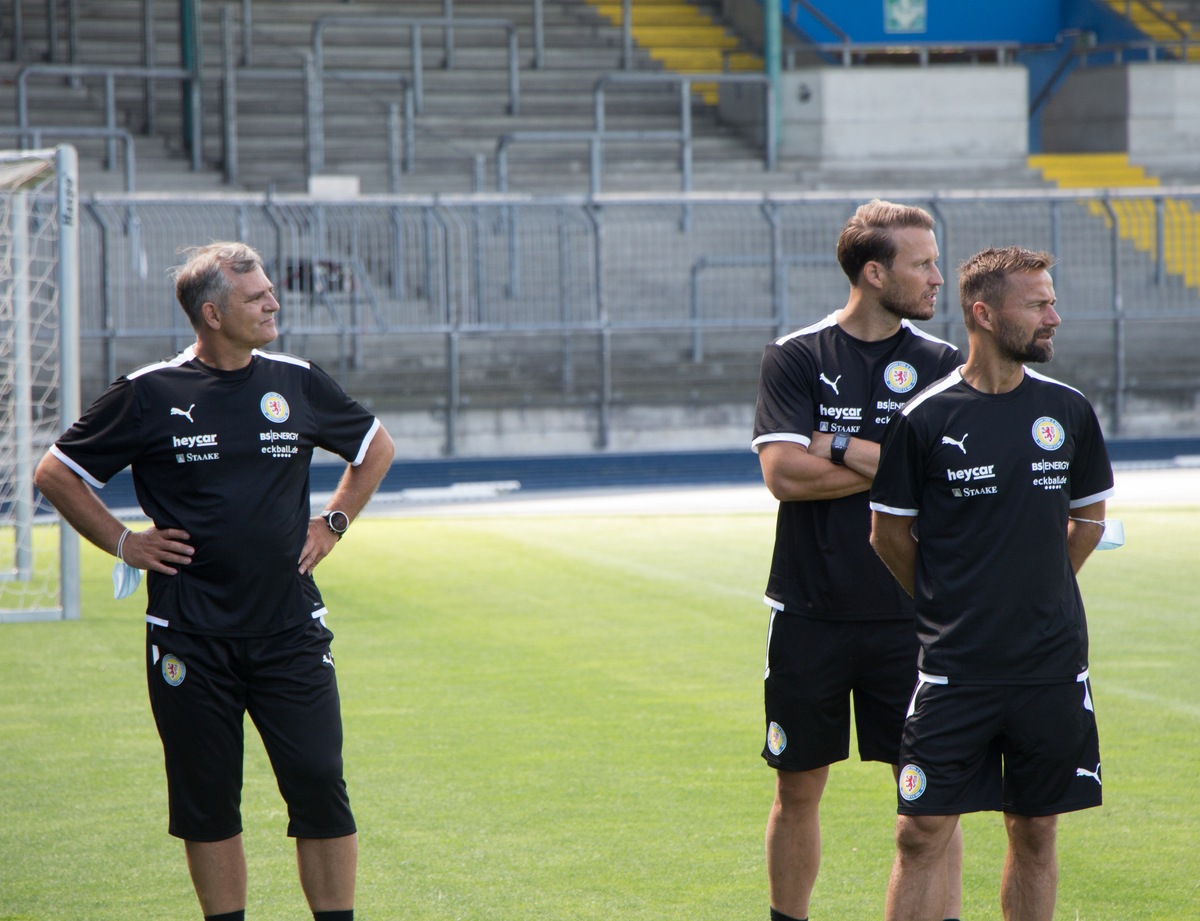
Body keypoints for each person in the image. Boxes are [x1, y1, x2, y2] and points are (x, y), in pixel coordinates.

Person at [34, 242, 395, 921]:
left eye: (269, 292)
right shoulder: (150, 394)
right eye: (256, 297)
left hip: (289, 628)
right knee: (207, 797)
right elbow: (56, 471)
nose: (273, 303)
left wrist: (334, 521)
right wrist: (122, 541)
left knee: (319, 781)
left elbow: (374, 446)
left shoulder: (297, 381)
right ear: (212, 314)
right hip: (189, 636)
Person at [869, 246, 1115, 921]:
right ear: (983, 313)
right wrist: (955, 603)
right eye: (1038, 304)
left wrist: (1032, 587)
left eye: (1052, 301)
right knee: (919, 831)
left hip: (1050, 666)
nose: (1055, 317)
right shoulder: (924, 419)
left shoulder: (1068, 411)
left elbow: (1088, 520)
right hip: (955, 670)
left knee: (1035, 829)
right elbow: (888, 536)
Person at [752, 200, 965, 921]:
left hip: (913, 618)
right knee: (797, 787)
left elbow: (947, 481)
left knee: (932, 802)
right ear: (874, 273)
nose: (939, 276)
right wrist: (895, 463)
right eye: (923, 263)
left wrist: (835, 445)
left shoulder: (944, 367)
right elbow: (783, 474)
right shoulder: (799, 356)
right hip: (810, 611)